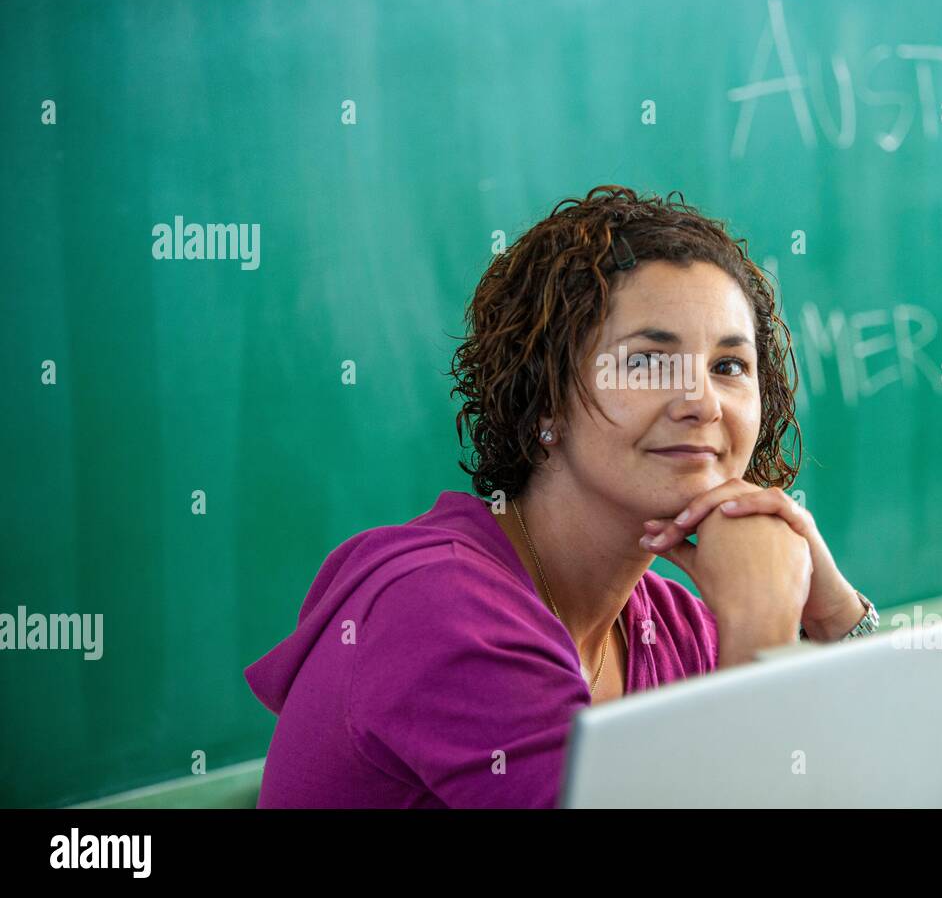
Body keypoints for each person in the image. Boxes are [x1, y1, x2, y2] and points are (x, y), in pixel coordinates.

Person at [243, 184, 877, 807]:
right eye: (649, 362)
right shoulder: (439, 611)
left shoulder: (675, 629)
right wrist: (761, 623)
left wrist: (832, 617)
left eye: (729, 366)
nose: (703, 403)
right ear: (544, 398)